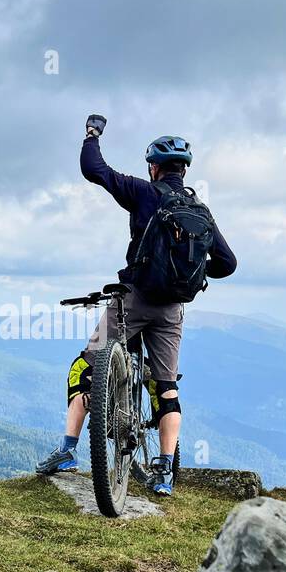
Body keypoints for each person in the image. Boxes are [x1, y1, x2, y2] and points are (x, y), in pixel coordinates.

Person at [35, 114, 237, 495]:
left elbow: (94, 169)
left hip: (134, 301)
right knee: (166, 387)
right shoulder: (201, 212)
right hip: (173, 311)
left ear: (154, 167)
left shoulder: (143, 192)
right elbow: (228, 263)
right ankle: (164, 470)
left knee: (84, 368)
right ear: (184, 170)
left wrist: (92, 133)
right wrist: (194, 273)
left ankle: (67, 450)